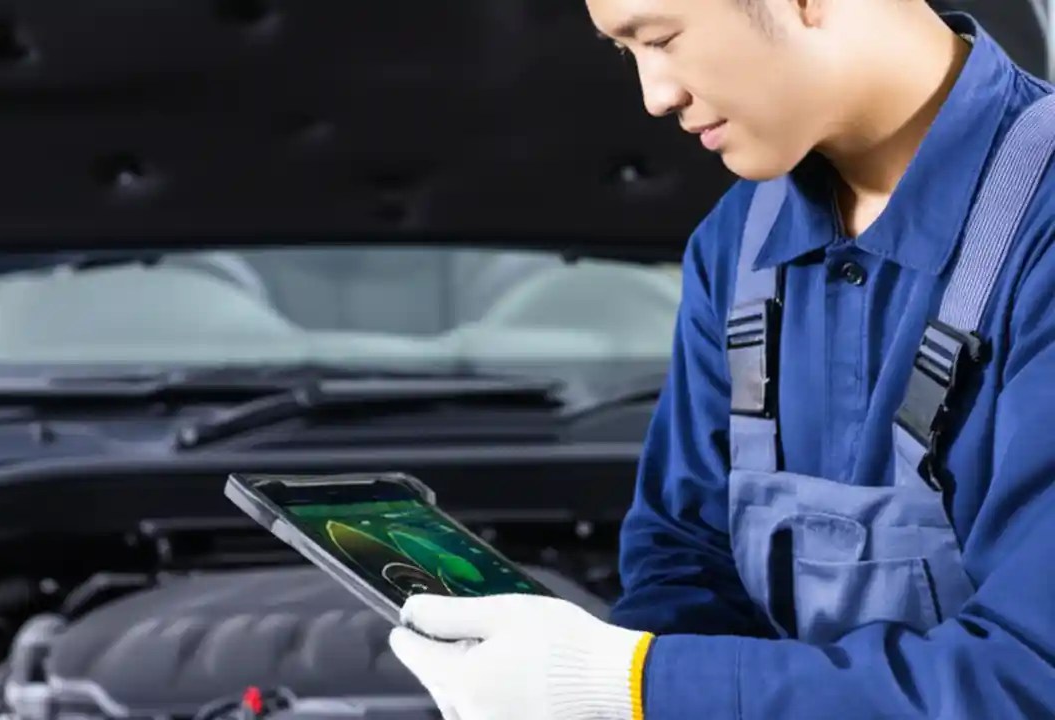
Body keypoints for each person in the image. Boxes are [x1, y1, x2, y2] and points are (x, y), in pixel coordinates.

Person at [386, 0, 1055, 718]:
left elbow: (1029, 677)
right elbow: (685, 560)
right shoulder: (738, 241)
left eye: (662, 38)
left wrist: (631, 684)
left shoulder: (1040, 235)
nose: (655, 96)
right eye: (626, 52)